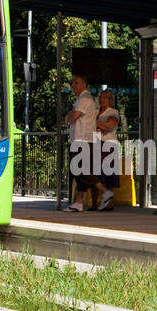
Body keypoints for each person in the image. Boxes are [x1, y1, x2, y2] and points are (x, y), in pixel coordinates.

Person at [64, 74, 112, 212]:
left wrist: (69, 116)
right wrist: (70, 115)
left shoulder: (84, 99)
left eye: (76, 83)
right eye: (73, 83)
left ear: (84, 84)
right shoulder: (83, 98)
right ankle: (79, 202)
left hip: (82, 140)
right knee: (80, 171)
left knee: (79, 170)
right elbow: (70, 116)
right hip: (83, 139)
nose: (73, 85)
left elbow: (72, 117)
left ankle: (105, 191)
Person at [94, 89, 122, 210]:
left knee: (108, 172)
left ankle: (109, 202)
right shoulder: (95, 111)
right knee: (95, 173)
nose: (102, 100)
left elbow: (110, 126)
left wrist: (96, 124)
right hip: (95, 143)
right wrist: (101, 125)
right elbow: (89, 124)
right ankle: (94, 203)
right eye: (100, 97)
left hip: (108, 144)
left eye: (105, 97)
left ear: (110, 99)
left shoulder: (113, 112)